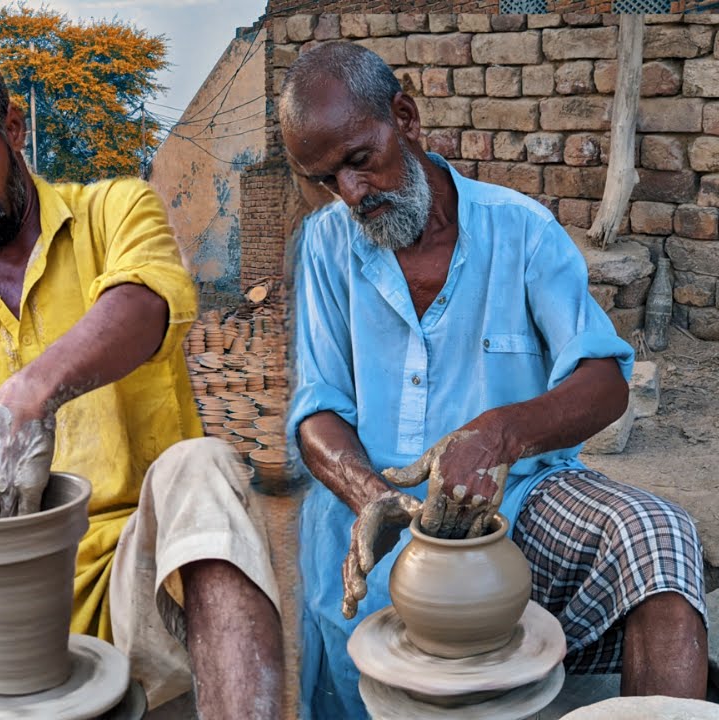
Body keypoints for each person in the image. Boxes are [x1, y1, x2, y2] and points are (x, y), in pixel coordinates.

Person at [281, 41, 708, 718]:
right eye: (325, 179)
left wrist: (500, 433)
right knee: (374, 677)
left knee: (657, 535)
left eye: (360, 161)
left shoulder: (523, 231)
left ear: (407, 117)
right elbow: (317, 410)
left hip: (521, 500)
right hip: (373, 519)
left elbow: (604, 378)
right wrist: (370, 497)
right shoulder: (326, 247)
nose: (351, 194)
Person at [0, 42, 284, 718]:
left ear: (13, 127)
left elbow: (143, 304)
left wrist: (29, 394)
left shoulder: (116, 212)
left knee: (204, 467)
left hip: (136, 570)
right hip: (5, 596)